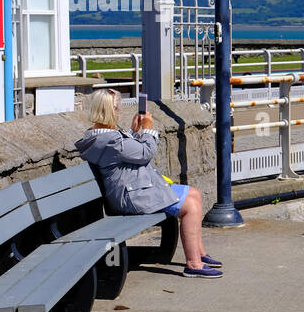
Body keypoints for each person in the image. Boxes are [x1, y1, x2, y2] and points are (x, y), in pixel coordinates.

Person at [76, 88, 223, 278]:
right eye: (117, 107)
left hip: (133, 190)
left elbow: (126, 152)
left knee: (194, 193)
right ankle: (193, 264)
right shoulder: (110, 140)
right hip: (134, 196)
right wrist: (149, 129)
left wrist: (134, 131)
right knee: (190, 207)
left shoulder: (100, 135)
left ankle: (200, 253)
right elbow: (144, 153)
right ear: (109, 110)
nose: (119, 110)